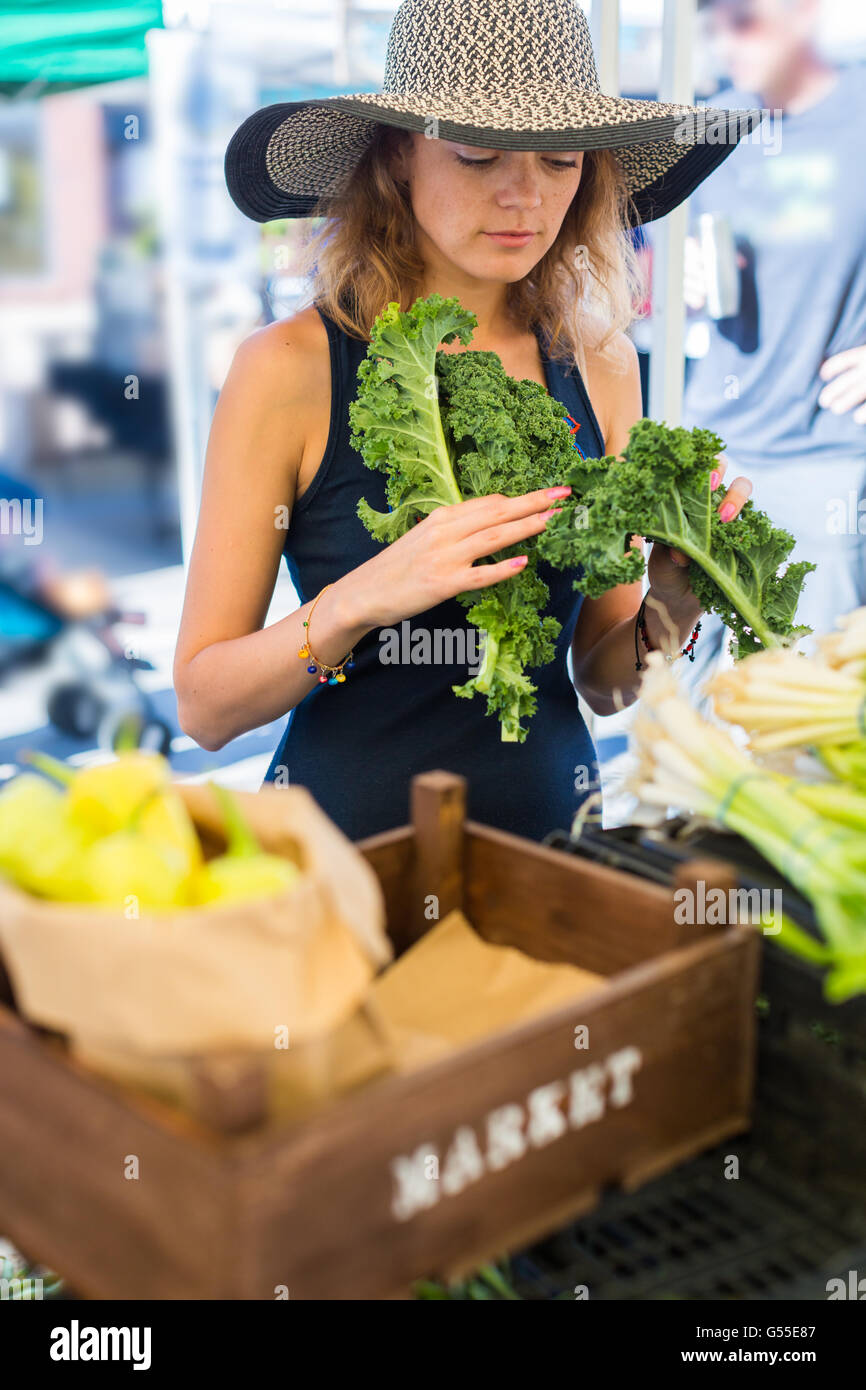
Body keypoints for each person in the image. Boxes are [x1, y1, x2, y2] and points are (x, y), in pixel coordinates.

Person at [173, 0, 758, 844]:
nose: (524, 195)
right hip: (349, 860)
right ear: (398, 153)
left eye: (560, 160)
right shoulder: (289, 368)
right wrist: (357, 602)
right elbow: (203, 706)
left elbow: (604, 681)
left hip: (555, 853)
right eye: (478, 154)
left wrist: (673, 598)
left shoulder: (601, 363)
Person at [683, 0, 866, 682]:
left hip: (824, 464)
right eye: (710, 20)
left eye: (743, 18)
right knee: (686, 710)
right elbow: (668, 266)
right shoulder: (714, 125)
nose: (724, 39)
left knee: (804, 719)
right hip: (712, 455)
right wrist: (683, 280)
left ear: (805, 10)